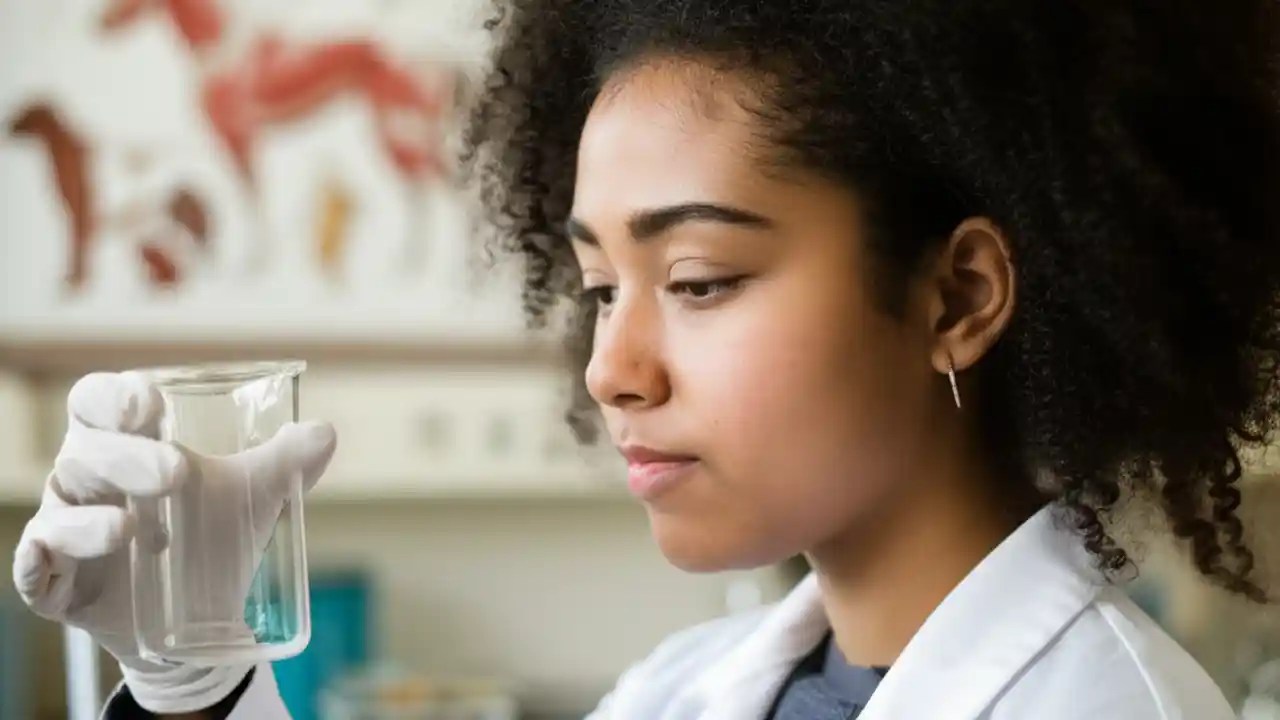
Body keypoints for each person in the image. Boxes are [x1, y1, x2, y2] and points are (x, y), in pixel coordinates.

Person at [12, 1, 1280, 718]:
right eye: (598, 287)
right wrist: (193, 680)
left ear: (956, 296)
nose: (610, 370)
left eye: (696, 283)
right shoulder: (682, 693)